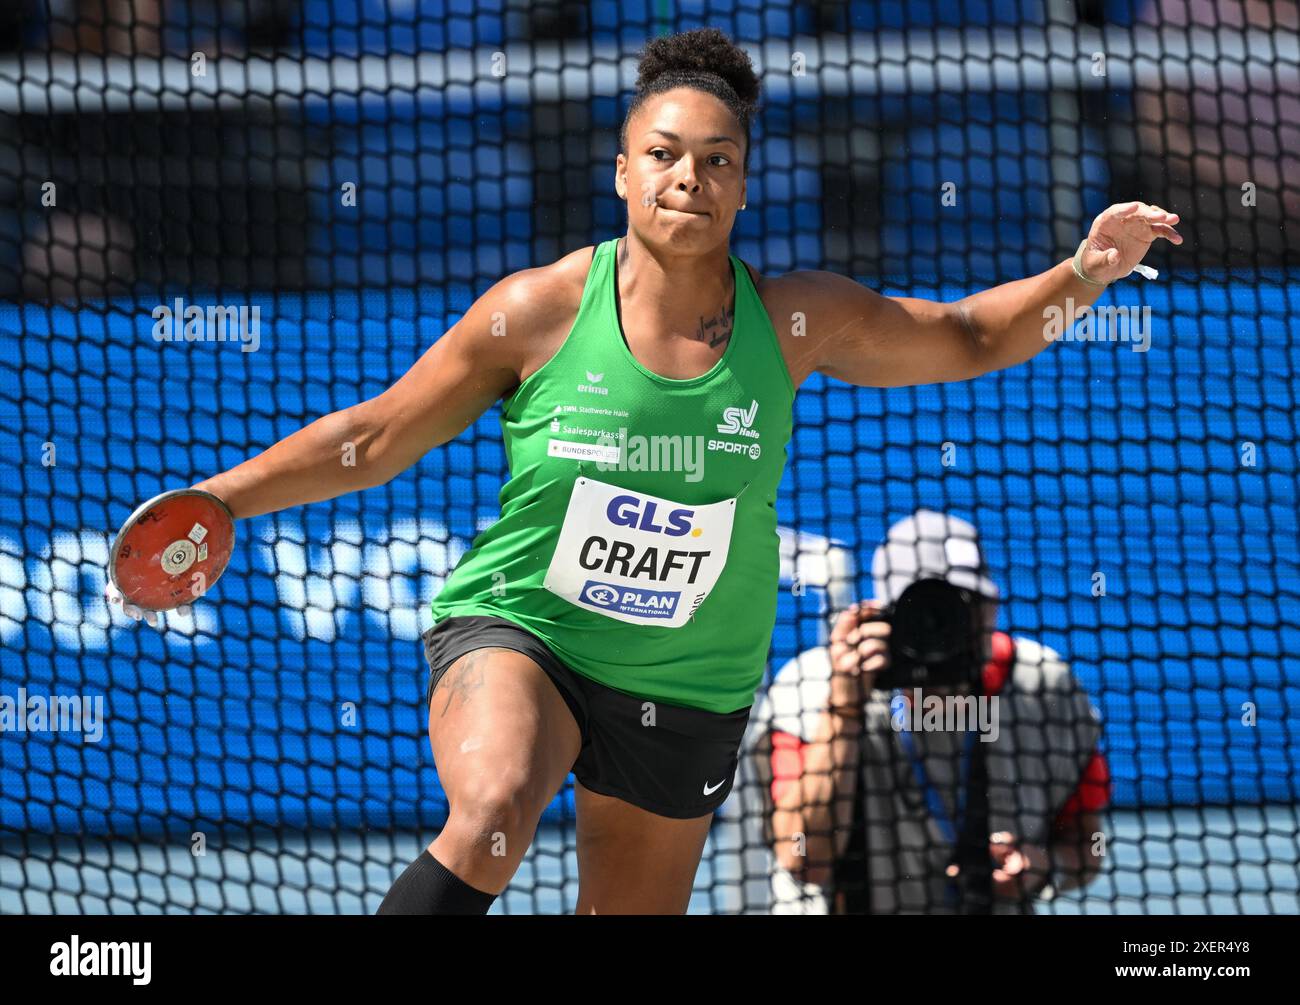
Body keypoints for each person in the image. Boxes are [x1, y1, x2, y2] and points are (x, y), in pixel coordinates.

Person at [107, 28, 1179, 914]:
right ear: (622, 170)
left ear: (744, 185)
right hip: (527, 628)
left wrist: (1084, 270)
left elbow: (965, 336)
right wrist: (226, 500)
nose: (688, 178)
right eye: (663, 154)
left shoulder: (794, 317)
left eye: (716, 160)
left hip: (690, 679)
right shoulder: (536, 312)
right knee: (488, 821)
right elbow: (380, 435)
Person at [736, 510, 1110, 913]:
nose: (950, 628)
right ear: (887, 615)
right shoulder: (811, 687)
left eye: (970, 604)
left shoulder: (1043, 686)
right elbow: (805, 860)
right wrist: (844, 708)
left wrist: (1044, 866)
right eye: (926, 611)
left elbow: (1089, 845)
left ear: (995, 605)